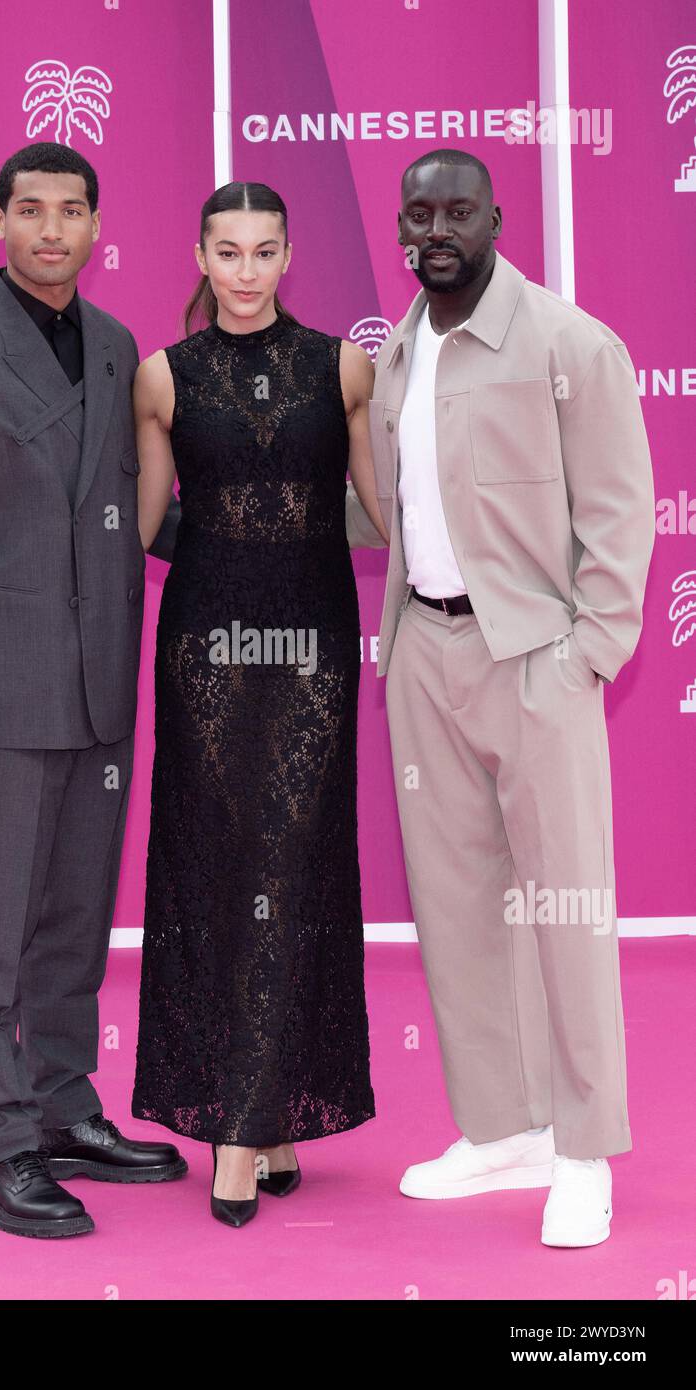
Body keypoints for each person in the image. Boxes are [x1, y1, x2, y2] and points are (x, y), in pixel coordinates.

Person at [346, 149, 655, 1247]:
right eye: (417, 212)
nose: (436, 228)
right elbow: (397, 507)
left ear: (494, 218)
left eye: (457, 210)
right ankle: (501, 1128)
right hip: (420, 653)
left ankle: (583, 1151)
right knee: (460, 909)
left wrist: (584, 657)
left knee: (564, 910)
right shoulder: (395, 356)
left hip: (532, 659)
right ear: (400, 227)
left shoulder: (570, 342)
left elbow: (622, 515)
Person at [0, 142, 187, 1240]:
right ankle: (1, 1148)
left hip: (100, 686)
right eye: (30, 211)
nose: (51, 229)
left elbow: (141, 511)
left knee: (71, 923)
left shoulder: (114, 350)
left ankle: (63, 1110)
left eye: (70, 211)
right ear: (2, 223)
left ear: (95, 226)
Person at [131, 181, 387, 1227]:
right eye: (226, 251)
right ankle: (252, 1122)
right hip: (206, 653)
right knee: (225, 867)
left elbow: (380, 507)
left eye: (264, 251)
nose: (244, 271)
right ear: (199, 253)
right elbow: (147, 523)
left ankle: (255, 1121)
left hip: (313, 652)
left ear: (288, 257)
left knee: (293, 864)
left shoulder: (344, 363)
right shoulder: (161, 375)